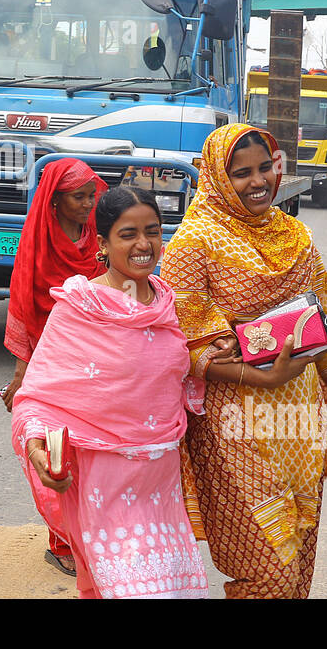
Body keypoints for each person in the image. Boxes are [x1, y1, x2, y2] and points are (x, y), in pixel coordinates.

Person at [160, 124, 327, 598]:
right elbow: (183, 348)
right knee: (268, 576)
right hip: (232, 425)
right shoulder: (194, 243)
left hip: (300, 420)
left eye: (265, 168)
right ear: (218, 178)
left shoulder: (295, 234)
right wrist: (262, 375)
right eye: (242, 173)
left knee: (297, 570)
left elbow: (326, 330)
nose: (258, 182)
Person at [12, 187, 208, 599]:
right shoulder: (81, 307)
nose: (143, 244)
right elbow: (39, 396)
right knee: (135, 590)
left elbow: (179, 376)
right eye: (128, 234)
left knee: (165, 588)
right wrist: (37, 449)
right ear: (102, 243)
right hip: (105, 480)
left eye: (152, 231)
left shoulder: (168, 302)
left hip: (161, 478)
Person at [1, 157, 107, 577]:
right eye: (78, 197)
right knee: (53, 447)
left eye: (91, 196)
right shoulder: (39, 242)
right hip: (48, 360)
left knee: (89, 448)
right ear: (56, 201)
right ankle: (61, 540)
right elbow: (23, 303)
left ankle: (84, 533)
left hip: (91, 357)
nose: (87, 204)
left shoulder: (96, 236)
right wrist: (21, 372)